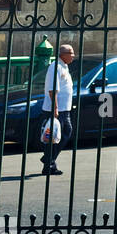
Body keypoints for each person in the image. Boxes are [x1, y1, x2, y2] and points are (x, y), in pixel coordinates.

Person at [40, 43, 75, 175]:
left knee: (60, 135)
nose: (73, 55)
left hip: (64, 109)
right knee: (56, 136)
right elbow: (52, 89)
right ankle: (49, 162)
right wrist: (55, 108)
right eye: (71, 53)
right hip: (55, 110)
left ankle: (48, 161)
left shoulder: (64, 66)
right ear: (63, 54)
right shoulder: (55, 67)